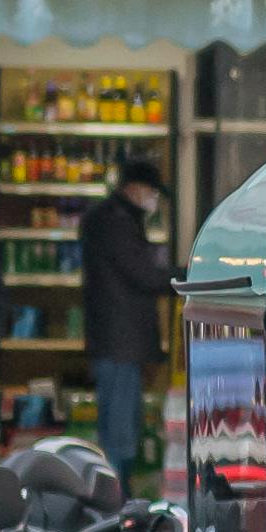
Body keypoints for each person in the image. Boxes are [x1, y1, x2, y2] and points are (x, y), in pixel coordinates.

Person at [76, 164, 175, 479]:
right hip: (119, 342)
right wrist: (187, 276)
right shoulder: (115, 223)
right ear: (134, 189)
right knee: (120, 429)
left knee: (119, 423)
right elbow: (142, 275)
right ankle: (116, 498)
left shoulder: (112, 219)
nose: (154, 200)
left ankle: (116, 491)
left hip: (115, 339)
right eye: (152, 193)